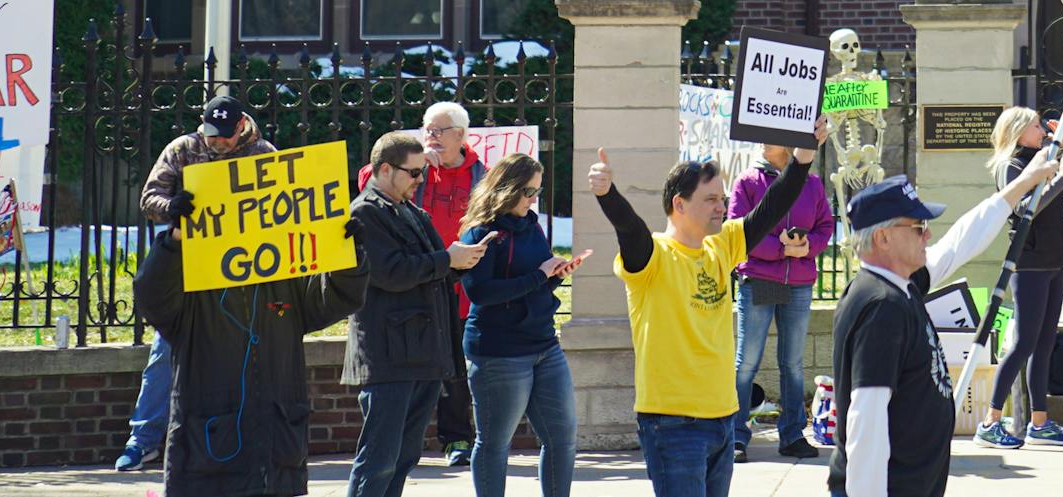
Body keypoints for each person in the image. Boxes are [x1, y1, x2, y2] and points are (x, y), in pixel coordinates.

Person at [829, 160, 1063, 497]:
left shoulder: (901, 284)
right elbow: (865, 420)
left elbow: (962, 240)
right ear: (883, 238)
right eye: (917, 226)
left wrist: (1024, 182)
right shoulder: (881, 306)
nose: (927, 234)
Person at [589, 143, 818, 497]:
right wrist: (608, 195)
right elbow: (630, 230)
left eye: (722, 198)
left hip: (723, 418)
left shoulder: (722, 245)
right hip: (672, 425)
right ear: (679, 204)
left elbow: (772, 206)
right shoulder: (654, 256)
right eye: (711, 199)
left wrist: (803, 158)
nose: (722, 206)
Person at [133, 173, 367, 497]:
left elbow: (336, 299)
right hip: (207, 464)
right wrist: (174, 241)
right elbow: (151, 296)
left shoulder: (284, 282)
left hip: (277, 460)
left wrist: (349, 259)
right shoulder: (193, 287)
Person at [116, 94, 278, 473]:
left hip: (241, 267)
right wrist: (171, 207)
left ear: (241, 127)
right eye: (211, 133)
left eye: (224, 135)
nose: (217, 142)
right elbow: (149, 198)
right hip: (188, 266)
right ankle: (143, 440)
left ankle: (242, 440)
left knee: (245, 354)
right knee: (164, 353)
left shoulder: (263, 152)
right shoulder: (183, 148)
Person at [346, 131, 494, 497]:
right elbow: (389, 272)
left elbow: (429, 270)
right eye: (413, 173)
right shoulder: (365, 211)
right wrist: (447, 259)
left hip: (422, 352)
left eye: (421, 173)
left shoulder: (410, 210)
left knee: (403, 456)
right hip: (388, 355)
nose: (419, 180)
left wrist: (464, 260)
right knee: (379, 458)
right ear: (384, 169)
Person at [458, 153, 590, 497]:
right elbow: (481, 292)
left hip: (544, 344)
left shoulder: (531, 225)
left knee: (562, 438)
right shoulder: (481, 234)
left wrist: (555, 276)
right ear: (507, 190)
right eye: (529, 191)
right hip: (498, 351)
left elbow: (535, 283)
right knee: (495, 443)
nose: (534, 199)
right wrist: (539, 276)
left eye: (538, 191)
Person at [976, 106, 1063, 449]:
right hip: (1030, 263)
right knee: (1024, 341)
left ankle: (1040, 421)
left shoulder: (1045, 157)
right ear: (1019, 130)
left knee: (1045, 343)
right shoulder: (1012, 167)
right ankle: (990, 420)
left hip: (1055, 259)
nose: (1042, 129)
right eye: (1036, 125)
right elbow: (1026, 209)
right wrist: (1060, 177)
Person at [731, 142, 837, 462]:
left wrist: (806, 248)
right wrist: (781, 251)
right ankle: (735, 436)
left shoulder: (813, 183)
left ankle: (792, 435)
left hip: (798, 283)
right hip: (760, 280)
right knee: (747, 362)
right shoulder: (747, 182)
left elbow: (825, 226)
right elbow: (738, 232)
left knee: (792, 364)